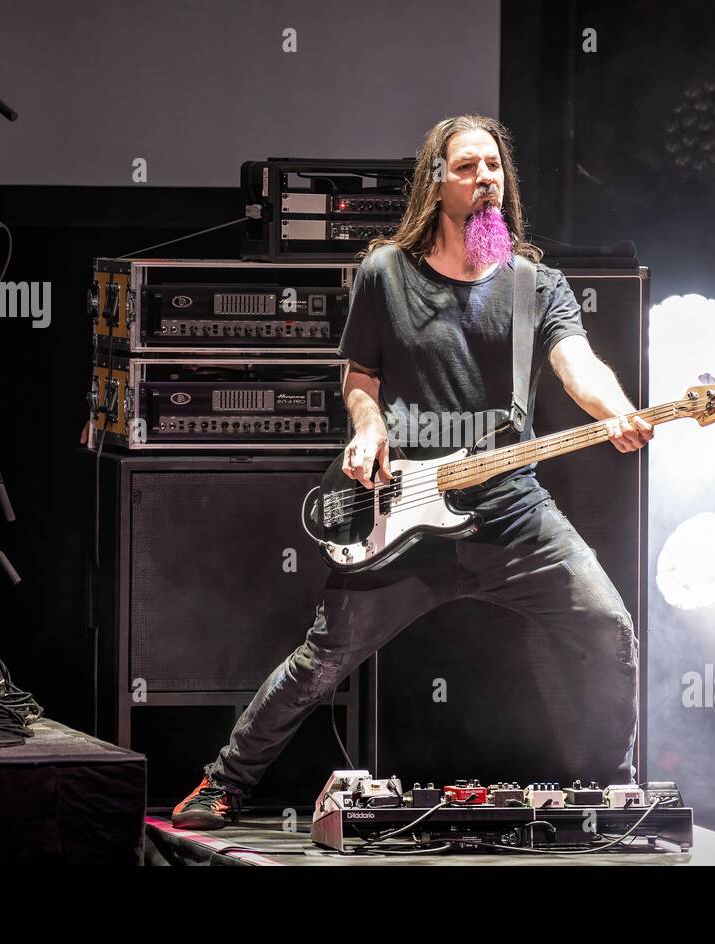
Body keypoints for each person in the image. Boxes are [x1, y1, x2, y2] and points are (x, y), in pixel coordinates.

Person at [171, 114, 653, 829]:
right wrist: (367, 431)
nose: (485, 177)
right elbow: (359, 376)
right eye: (467, 166)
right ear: (437, 180)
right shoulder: (385, 273)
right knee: (321, 661)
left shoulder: (533, 283)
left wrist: (614, 408)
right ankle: (223, 783)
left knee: (611, 629)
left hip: (512, 513)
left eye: (493, 166)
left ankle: (613, 794)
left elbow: (575, 362)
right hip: (405, 514)